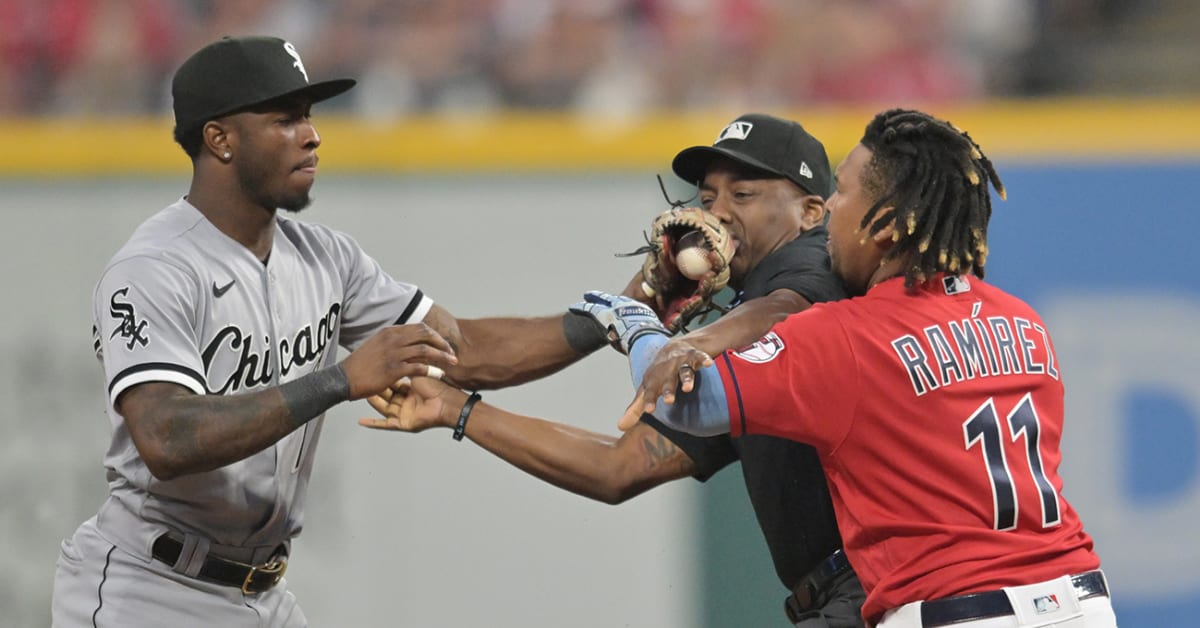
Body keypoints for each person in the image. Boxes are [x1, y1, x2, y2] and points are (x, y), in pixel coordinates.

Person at [51, 35, 609, 628]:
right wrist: (340, 380)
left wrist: (617, 312)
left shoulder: (325, 258)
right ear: (220, 139)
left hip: (259, 595)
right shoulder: (156, 268)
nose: (311, 135)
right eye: (284, 119)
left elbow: (465, 352)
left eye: (309, 116)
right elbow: (165, 438)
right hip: (150, 591)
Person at [592, 108, 1117, 627]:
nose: (833, 209)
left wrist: (638, 322)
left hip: (956, 610)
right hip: (1081, 601)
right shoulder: (1022, 321)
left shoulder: (845, 333)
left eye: (842, 192)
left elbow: (687, 405)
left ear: (886, 224)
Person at [361, 113, 867, 626]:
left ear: (809, 212)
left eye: (744, 195)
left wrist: (687, 344)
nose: (718, 212)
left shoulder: (813, 266)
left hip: (871, 585)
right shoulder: (737, 346)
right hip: (842, 594)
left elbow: (788, 308)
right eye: (708, 196)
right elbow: (617, 468)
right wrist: (456, 409)